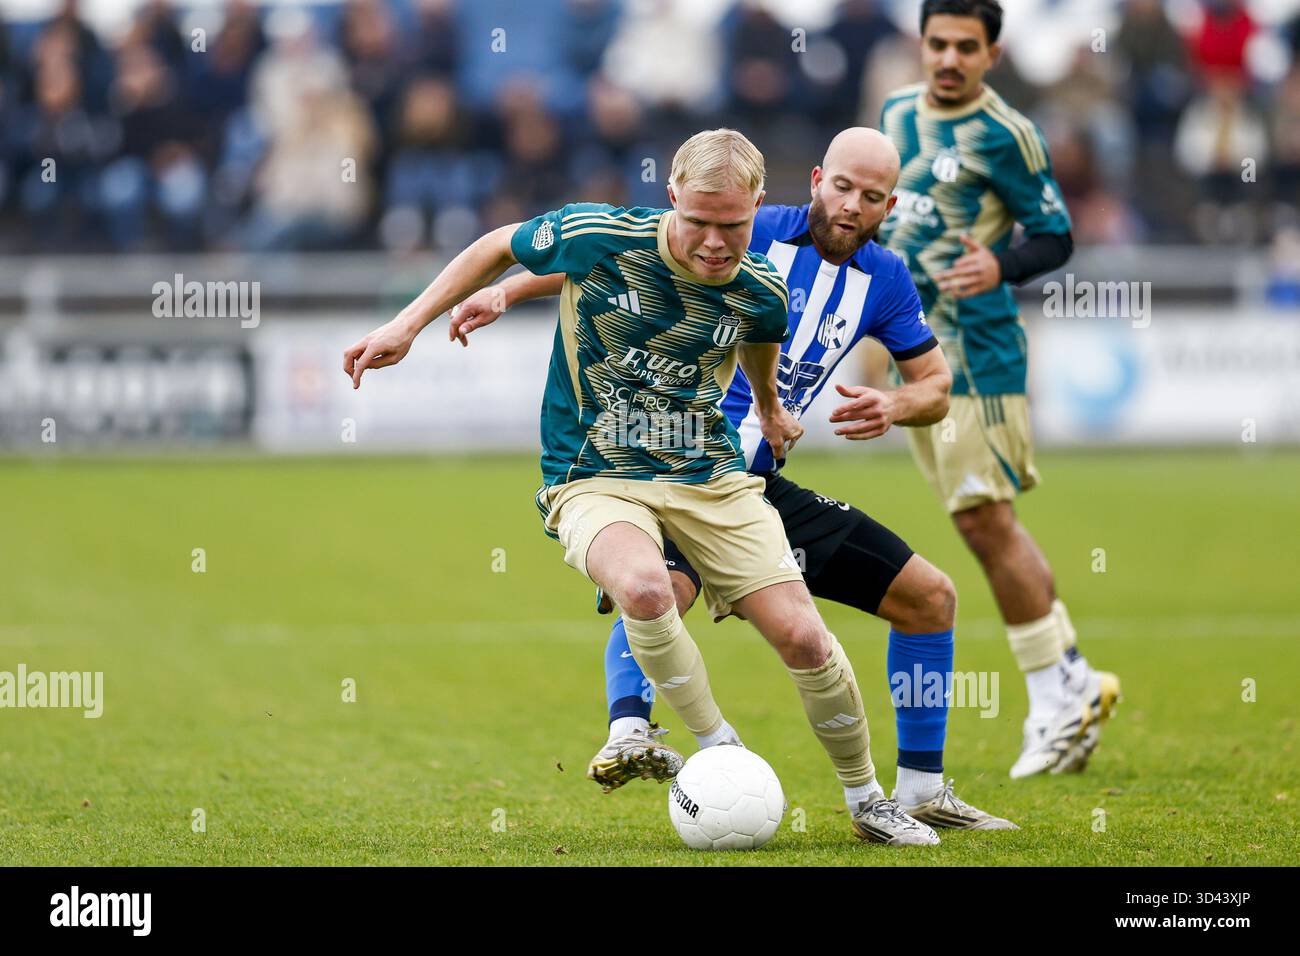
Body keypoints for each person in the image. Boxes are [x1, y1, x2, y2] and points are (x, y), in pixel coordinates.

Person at [345, 128, 937, 845]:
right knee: (649, 590)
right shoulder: (597, 232)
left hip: (712, 477)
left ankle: (869, 799)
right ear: (671, 200)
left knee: (807, 639)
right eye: (699, 222)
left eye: (734, 227)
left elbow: (760, 340)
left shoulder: (763, 288)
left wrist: (775, 411)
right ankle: (716, 746)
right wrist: (410, 323)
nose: (717, 244)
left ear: (758, 207)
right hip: (597, 474)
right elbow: (500, 242)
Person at [878, 0, 1119, 778]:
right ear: (921, 44)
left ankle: (1054, 696)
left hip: (977, 355)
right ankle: (1072, 678)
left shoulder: (1007, 134)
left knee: (986, 520)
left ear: (993, 53)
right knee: (977, 520)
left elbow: (1055, 234)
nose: (949, 59)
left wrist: (1001, 265)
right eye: (938, 44)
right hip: (917, 357)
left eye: (966, 47)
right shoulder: (893, 113)